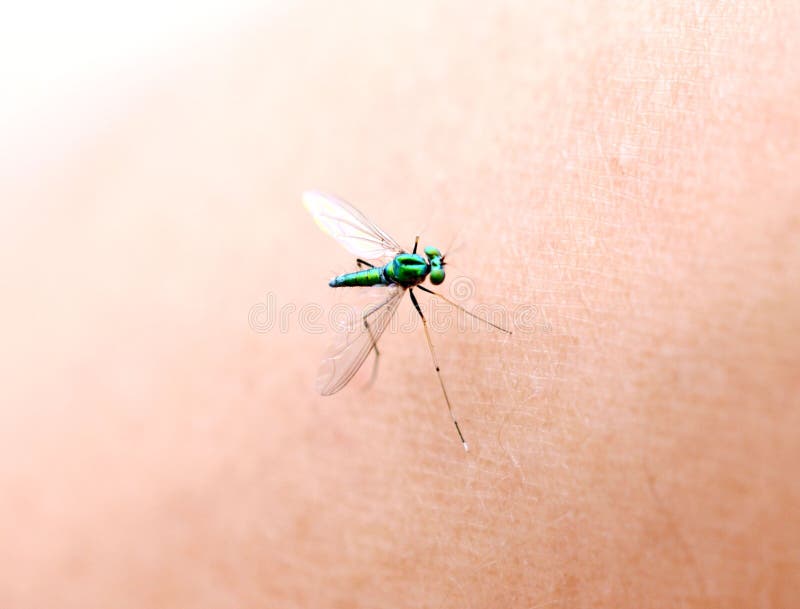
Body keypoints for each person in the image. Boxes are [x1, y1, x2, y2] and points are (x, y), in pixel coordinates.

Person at [2, 2, 798, 606]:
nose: (436, 272)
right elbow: (393, 280)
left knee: (373, 280)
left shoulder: (407, 257)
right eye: (434, 273)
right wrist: (407, 299)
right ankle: (386, 350)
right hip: (367, 276)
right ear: (423, 273)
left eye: (431, 270)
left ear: (421, 264)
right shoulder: (405, 288)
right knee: (375, 329)